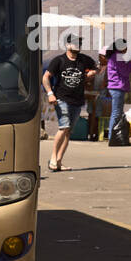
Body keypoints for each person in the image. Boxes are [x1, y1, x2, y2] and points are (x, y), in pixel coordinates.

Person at [42, 34, 97, 171]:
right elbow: (45, 77)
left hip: (77, 101)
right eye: (74, 43)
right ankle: (53, 158)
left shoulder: (84, 60)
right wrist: (50, 94)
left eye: (79, 43)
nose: (78, 45)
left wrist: (92, 73)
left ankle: (59, 162)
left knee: (68, 131)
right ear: (67, 45)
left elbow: (96, 67)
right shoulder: (59, 60)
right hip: (62, 98)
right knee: (64, 127)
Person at [104, 37, 131, 145]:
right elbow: (126, 72)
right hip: (117, 87)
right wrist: (130, 62)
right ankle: (113, 136)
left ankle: (114, 135)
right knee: (116, 113)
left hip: (115, 87)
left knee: (117, 112)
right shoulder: (118, 56)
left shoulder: (114, 56)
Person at [86, 50, 108, 141]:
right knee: (91, 113)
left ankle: (96, 133)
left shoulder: (109, 68)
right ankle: (90, 132)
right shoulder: (97, 68)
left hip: (103, 94)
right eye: (99, 56)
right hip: (94, 93)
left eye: (102, 56)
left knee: (98, 115)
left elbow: (106, 82)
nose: (100, 58)